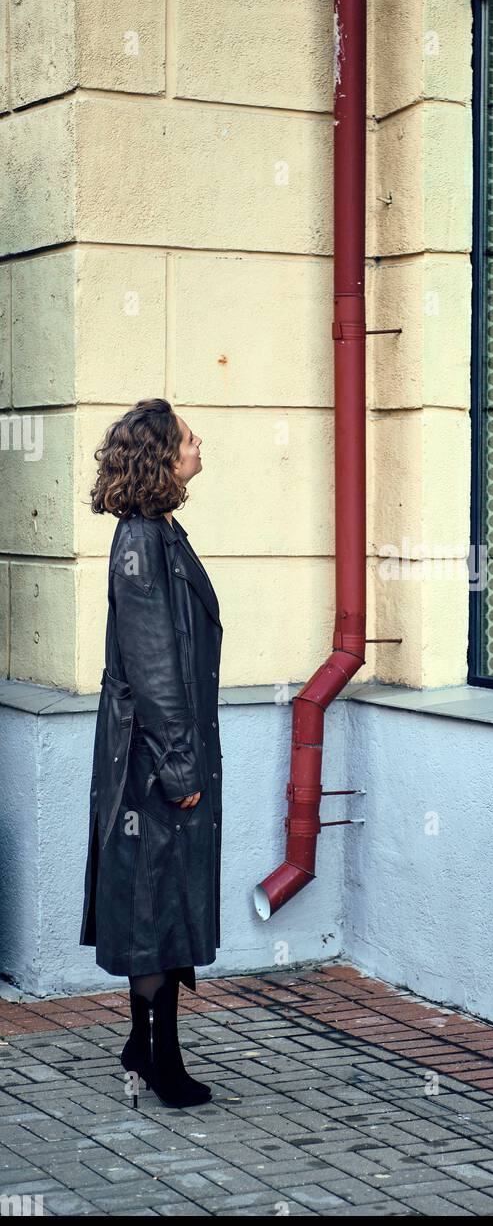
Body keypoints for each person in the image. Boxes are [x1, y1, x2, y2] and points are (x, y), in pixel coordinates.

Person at [80, 399, 223, 1109]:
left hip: (168, 747)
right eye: (192, 438)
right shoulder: (139, 540)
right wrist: (177, 764)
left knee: (167, 903)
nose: (202, 445)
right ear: (163, 456)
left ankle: (150, 1046)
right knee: (153, 907)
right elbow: (152, 662)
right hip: (152, 759)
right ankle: (157, 1057)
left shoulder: (162, 530)